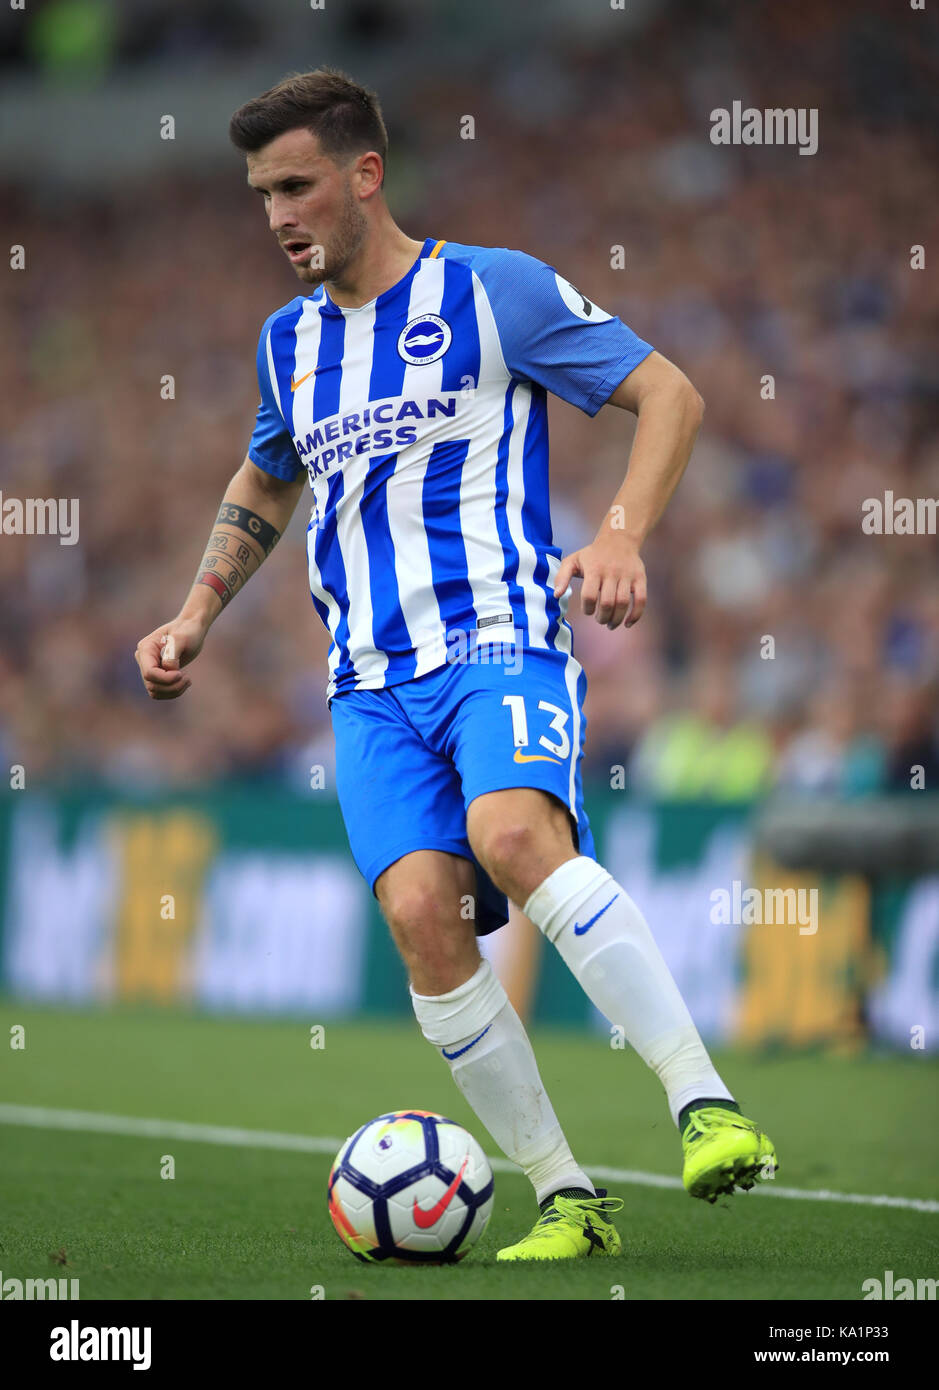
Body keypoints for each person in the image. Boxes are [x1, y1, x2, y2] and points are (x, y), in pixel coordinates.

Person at [134, 67, 776, 1261]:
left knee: (518, 837)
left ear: (364, 176)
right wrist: (196, 614)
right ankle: (567, 1195)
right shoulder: (290, 344)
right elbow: (268, 474)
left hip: (497, 638)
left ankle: (705, 1101)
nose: (275, 215)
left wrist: (623, 533)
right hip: (368, 684)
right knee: (425, 915)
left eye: (295, 186)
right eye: (258, 193)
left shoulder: (494, 292)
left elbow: (668, 393)